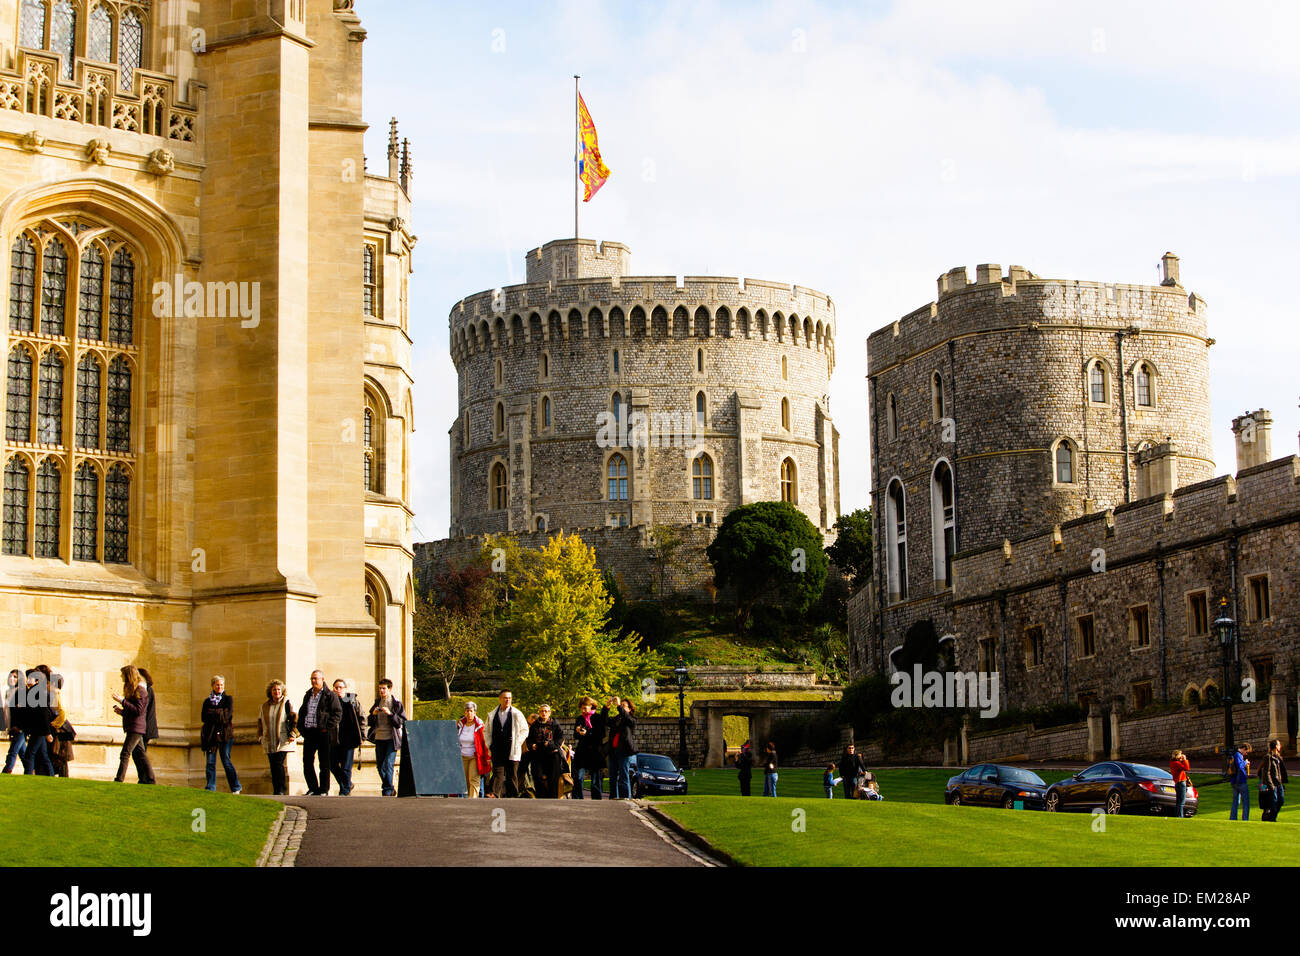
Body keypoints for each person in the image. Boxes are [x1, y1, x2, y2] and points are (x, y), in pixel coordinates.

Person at [299, 670, 342, 795]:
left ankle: (323, 789)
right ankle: (313, 788)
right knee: (307, 761)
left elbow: (337, 713)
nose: (313, 681)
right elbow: (303, 712)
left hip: (323, 733)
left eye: (316, 679)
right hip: (309, 733)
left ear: (322, 679)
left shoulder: (330, 695)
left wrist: (326, 727)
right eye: (312, 678)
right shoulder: (308, 695)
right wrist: (302, 729)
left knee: (324, 763)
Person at [112, 665, 153, 784]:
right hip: (133, 726)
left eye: (123, 674)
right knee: (141, 754)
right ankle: (150, 779)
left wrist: (122, 701)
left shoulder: (141, 690)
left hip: (136, 727)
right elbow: (133, 711)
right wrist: (122, 711)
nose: (121, 677)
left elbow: (138, 711)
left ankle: (119, 779)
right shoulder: (134, 690)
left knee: (125, 753)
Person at [200, 675, 242, 793]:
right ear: (213, 685)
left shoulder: (228, 699)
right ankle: (210, 787)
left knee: (226, 760)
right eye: (217, 685)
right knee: (210, 762)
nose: (220, 687)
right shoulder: (207, 701)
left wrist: (213, 713)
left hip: (225, 735)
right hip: (211, 735)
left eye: (222, 685)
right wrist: (220, 713)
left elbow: (227, 717)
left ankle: (236, 787)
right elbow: (204, 717)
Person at [484, 690, 528, 798]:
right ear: (500, 699)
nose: (507, 700)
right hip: (497, 747)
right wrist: (489, 744)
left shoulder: (517, 714)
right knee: (497, 772)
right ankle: (494, 793)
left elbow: (525, 730)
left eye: (509, 698)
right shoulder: (492, 714)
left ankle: (513, 796)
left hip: (512, 747)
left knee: (512, 774)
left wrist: (517, 742)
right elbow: (486, 731)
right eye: (505, 698)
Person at [366, 678, 406, 796]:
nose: (381, 691)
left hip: (391, 739)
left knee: (388, 764)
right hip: (379, 737)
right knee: (379, 766)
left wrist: (390, 714)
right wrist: (373, 715)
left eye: (384, 688)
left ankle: (387, 791)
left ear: (389, 689)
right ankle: (390, 787)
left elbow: (401, 722)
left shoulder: (396, 703)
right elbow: (370, 722)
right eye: (380, 689)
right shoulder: (377, 702)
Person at [258, 679, 297, 795]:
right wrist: (260, 736)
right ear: (270, 692)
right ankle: (276, 790)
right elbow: (260, 722)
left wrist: (293, 733)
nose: (276, 692)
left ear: (282, 691)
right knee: (273, 765)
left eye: (278, 689)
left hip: (283, 739)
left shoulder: (286, 703)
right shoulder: (265, 706)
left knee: (278, 763)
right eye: (274, 690)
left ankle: (281, 789)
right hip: (269, 740)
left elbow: (295, 718)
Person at [14, 669, 54, 776]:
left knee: (29, 754)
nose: (28, 679)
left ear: (37, 681)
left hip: (39, 729)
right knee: (43, 755)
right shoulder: (32, 691)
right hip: (37, 729)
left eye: (30, 677)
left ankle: (28, 775)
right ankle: (51, 775)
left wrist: (47, 732)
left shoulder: (38, 692)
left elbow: (43, 713)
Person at [331, 678, 365, 796]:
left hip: (349, 739)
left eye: (341, 687)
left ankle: (344, 790)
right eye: (336, 687)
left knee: (346, 767)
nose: (338, 690)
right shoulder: (330, 701)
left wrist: (362, 735)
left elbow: (362, 717)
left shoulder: (351, 700)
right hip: (334, 739)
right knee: (332, 764)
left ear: (345, 689)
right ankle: (347, 783)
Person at [526, 704, 564, 799]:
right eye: (542, 711)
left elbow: (560, 738)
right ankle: (541, 796)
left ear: (549, 713)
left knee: (553, 777)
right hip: (539, 753)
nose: (544, 713)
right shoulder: (535, 725)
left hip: (552, 753)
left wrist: (552, 745)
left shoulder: (555, 724)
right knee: (537, 775)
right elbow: (529, 739)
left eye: (546, 711)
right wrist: (532, 745)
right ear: (539, 713)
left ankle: (553, 797)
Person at [572, 696, 605, 800]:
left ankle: (596, 800)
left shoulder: (598, 718)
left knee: (595, 779)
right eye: (582, 708)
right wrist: (578, 732)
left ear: (591, 706)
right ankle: (577, 798)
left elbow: (601, 734)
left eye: (585, 707)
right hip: (582, 751)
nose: (583, 710)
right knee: (578, 777)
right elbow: (575, 736)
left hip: (595, 751)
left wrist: (588, 733)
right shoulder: (580, 719)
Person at [605, 697, 637, 799]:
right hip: (613, 750)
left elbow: (627, 718)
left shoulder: (631, 720)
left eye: (624, 706)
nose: (621, 708)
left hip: (624, 751)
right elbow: (604, 720)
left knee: (624, 776)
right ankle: (613, 796)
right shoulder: (616, 719)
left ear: (630, 709)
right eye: (621, 705)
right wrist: (607, 707)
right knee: (612, 777)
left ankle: (625, 797)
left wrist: (619, 706)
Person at [457, 701, 489, 798]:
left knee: (474, 779)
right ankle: (465, 802)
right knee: (464, 781)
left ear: (475, 712)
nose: (469, 713)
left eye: (471, 711)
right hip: (462, 756)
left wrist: (487, 757)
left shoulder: (480, 725)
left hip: (475, 757)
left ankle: (473, 801)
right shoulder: (460, 725)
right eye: (467, 711)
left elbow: (485, 743)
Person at [133, 667, 158, 784]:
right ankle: (144, 778)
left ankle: (147, 778)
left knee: (139, 753)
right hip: (144, 727)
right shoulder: (145, 689)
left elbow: (143, 710)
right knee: (137, 753)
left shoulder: (146, 690)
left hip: (145, 727)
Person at [1259, 738, 1288, 822]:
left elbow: (1280, 772)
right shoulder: (1268, 757)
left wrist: (1282, 783)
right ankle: (1272, 818)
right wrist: (1270, 785)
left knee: (1281, 801)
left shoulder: (1278, 758)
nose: (1280, 746)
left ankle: (1272, 816)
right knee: (1273, 801)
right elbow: (1266, 772)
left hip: (1279, 783)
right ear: (1275, 746)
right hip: (1272, 784)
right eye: (1279, 745)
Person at [2, 669, 25, 774]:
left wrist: (19, 726)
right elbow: (7, 711)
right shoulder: (8, 692)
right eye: (11, 676)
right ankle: (31, 769)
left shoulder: (20, 692)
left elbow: (21, 712)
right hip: (12, 726)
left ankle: (7, 769)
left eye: (15, 677)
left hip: (19, 727)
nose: (12, 678)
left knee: (13, 751)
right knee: (22, 752)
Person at [1229, 743, 1251, 820]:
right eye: (1246, 751)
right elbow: (1240, 766)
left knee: (1236, 801)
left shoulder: (1235, 754)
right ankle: (1245, 818)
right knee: (1245, 801)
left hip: (1234, 781)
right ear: (1244, 748)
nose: (1246, 753)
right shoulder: (1238, 755)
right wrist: (1245, 762)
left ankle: (1233, 817)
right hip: (1240, 781)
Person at [1169, 749, 1191, 818]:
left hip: (1177, 783)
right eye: (1180, 755)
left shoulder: (1172, 762)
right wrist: (1185, 760)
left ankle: (1178, 815)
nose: (1181, 756)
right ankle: (1180, 816)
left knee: (1178, 801)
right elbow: (1187, 768)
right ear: (1177, 756)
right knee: (1181, 801)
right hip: (1181, 783)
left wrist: (1181, 761)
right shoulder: (1177, 763)